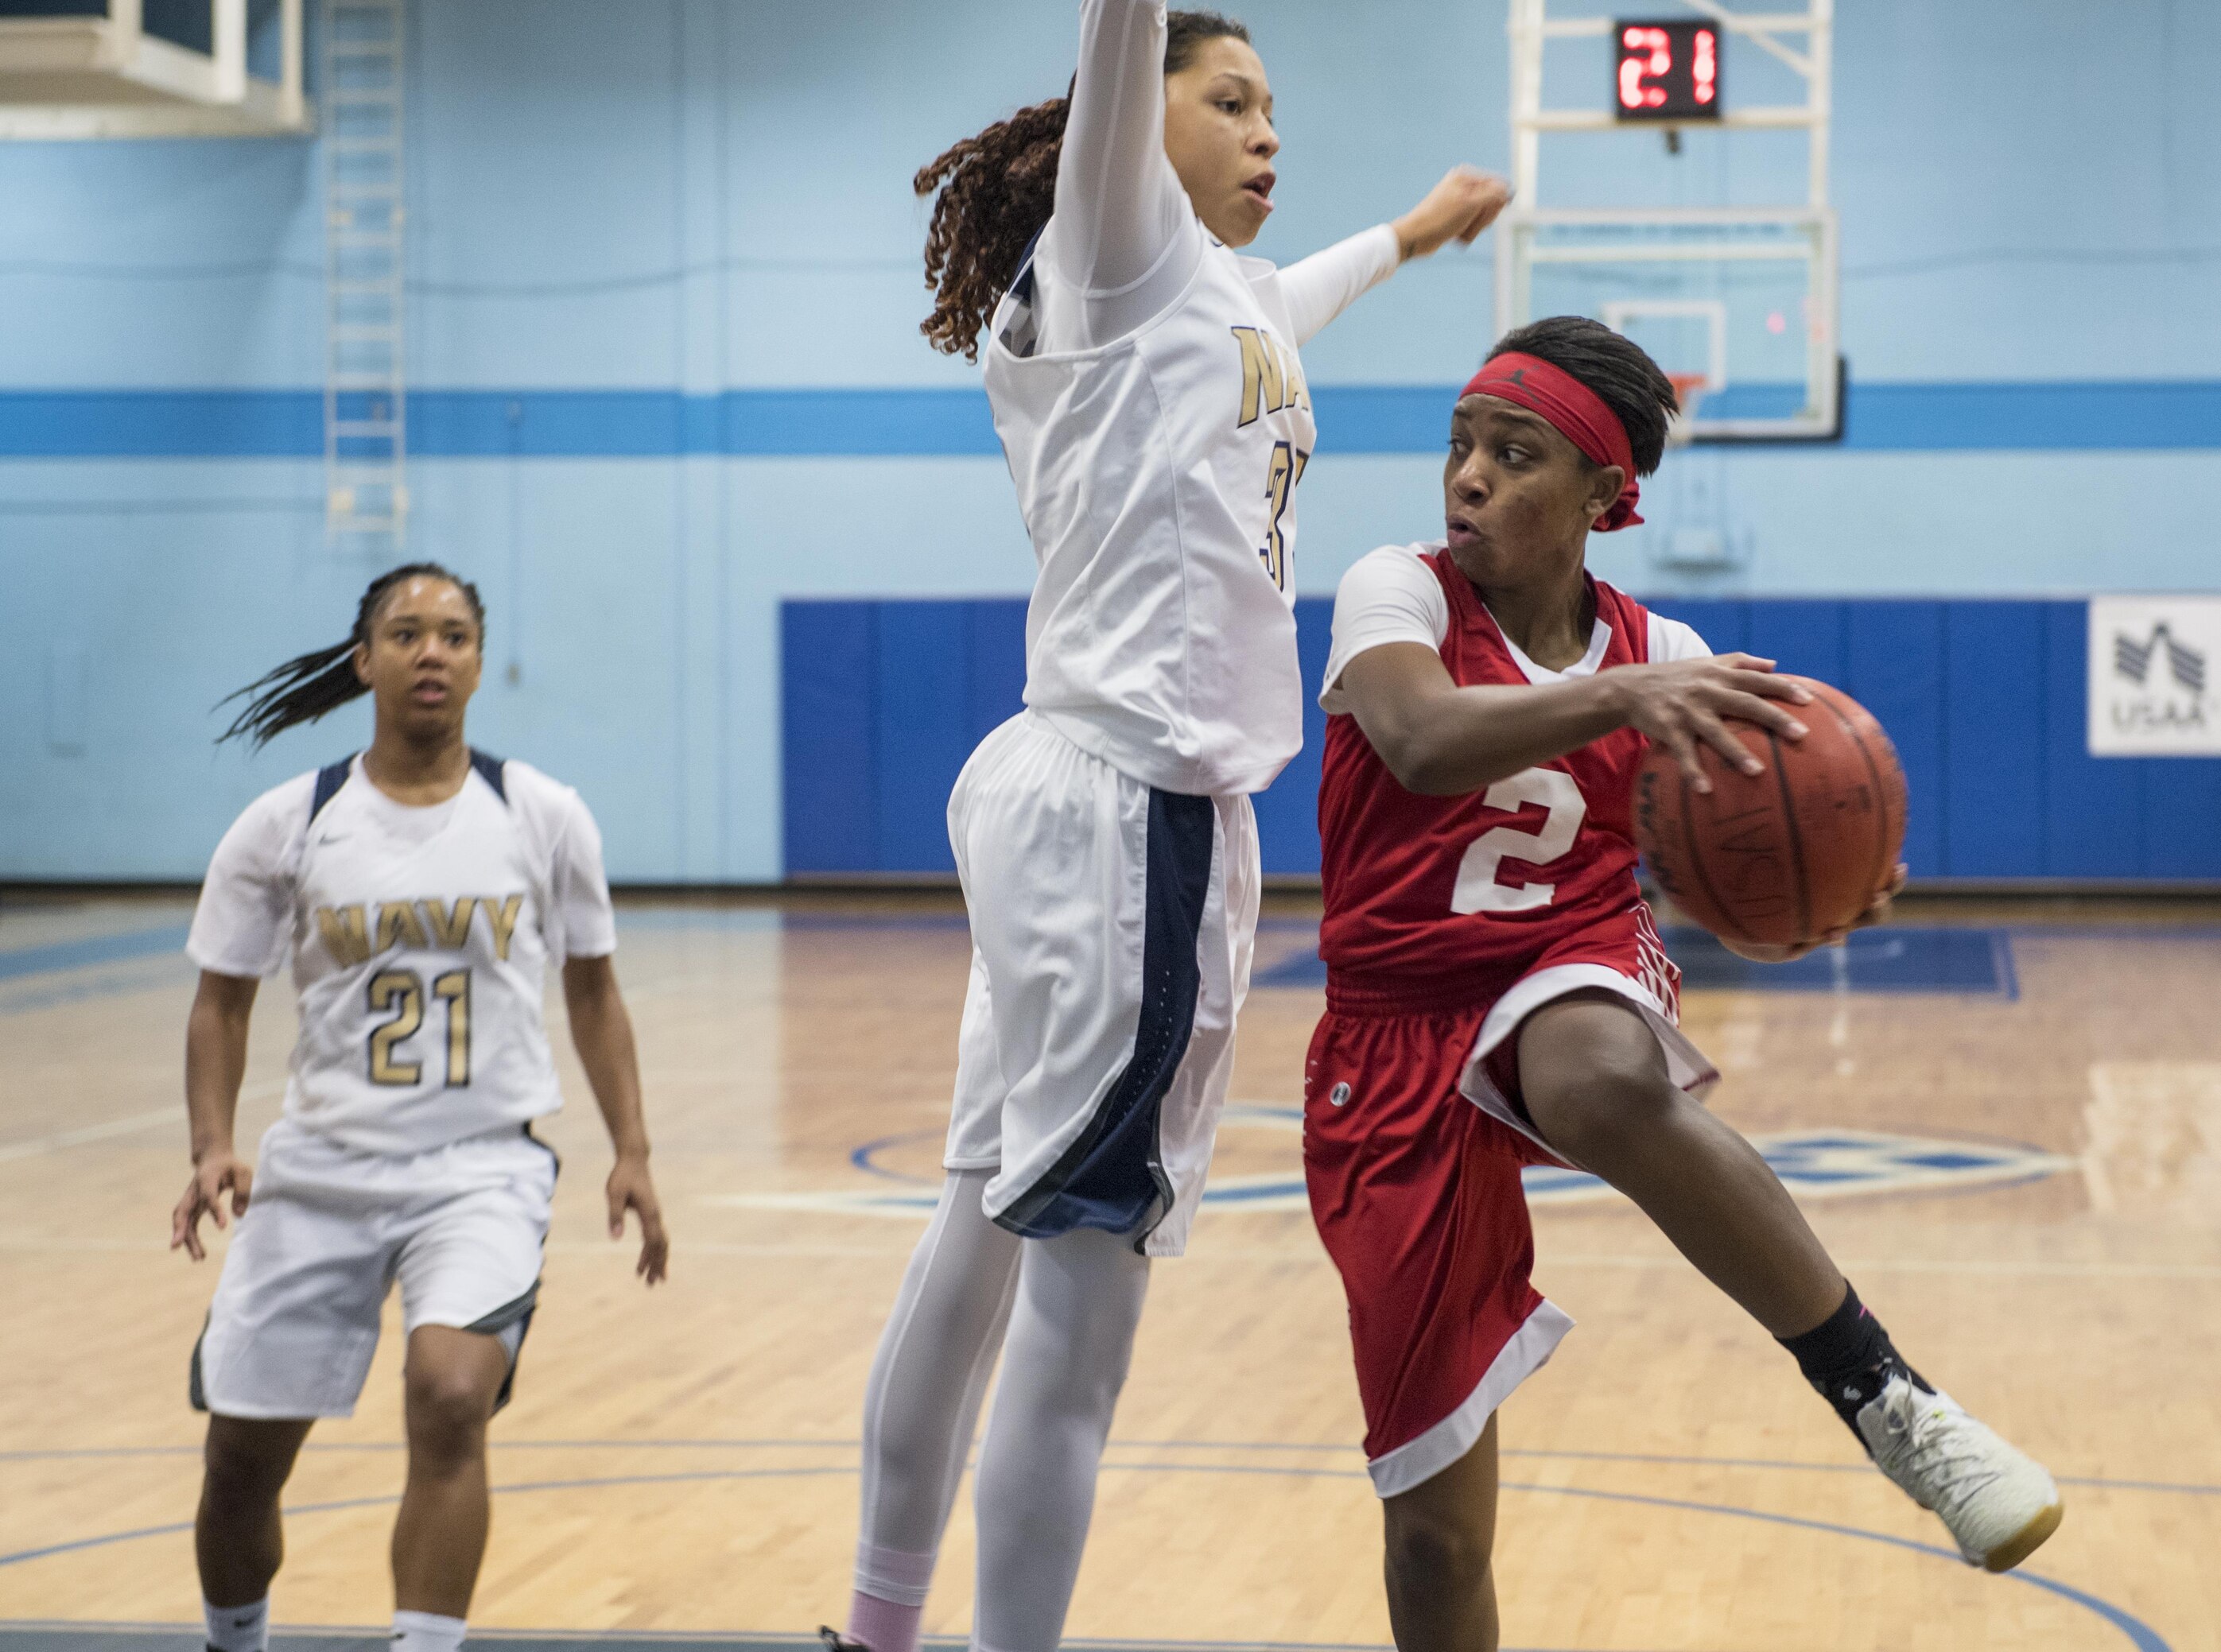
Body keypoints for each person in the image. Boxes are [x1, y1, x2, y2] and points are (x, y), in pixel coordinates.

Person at [829, 9, 1515, 1652]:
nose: (1267, 130)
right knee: (1080, 1312)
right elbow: (1121, 38)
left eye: (1276, 105)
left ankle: (874, 1623)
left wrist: (1414, 233)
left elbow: (1302, 297)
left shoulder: (1211, 301)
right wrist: (1139, 57)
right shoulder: (1119, 248)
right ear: (1136, 128)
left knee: (975, 1229)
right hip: (1133, 817)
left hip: (1066, 791)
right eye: (1231, 100)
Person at [1304, 317, 2063, 1651]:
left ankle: (1886, 1397)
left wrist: (1824, 887)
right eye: (1460, 445)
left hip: (1568, 953)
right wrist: (1629, 700)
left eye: (1514, 453)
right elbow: (1419, 741)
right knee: (1431, 1530)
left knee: (1589, 1071)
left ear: (1604, 496)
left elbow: (1716, 857)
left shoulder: (1667, 644)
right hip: (1391, 1030)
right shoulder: (1397, 590)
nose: (1467, 476)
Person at [172, 564, 669, 1652]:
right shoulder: (286, 821)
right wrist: (212, 1142)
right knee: (242, 1460)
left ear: (480, 664)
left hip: (479, 1166)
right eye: (406, 632)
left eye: (452, 633)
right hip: (317, 1169)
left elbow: (593, 990)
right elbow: (220, 1001)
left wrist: (631, 1147)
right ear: (366, 662)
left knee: (450, 1392)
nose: (431, 650)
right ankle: (232, 1638)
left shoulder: (540, 813)